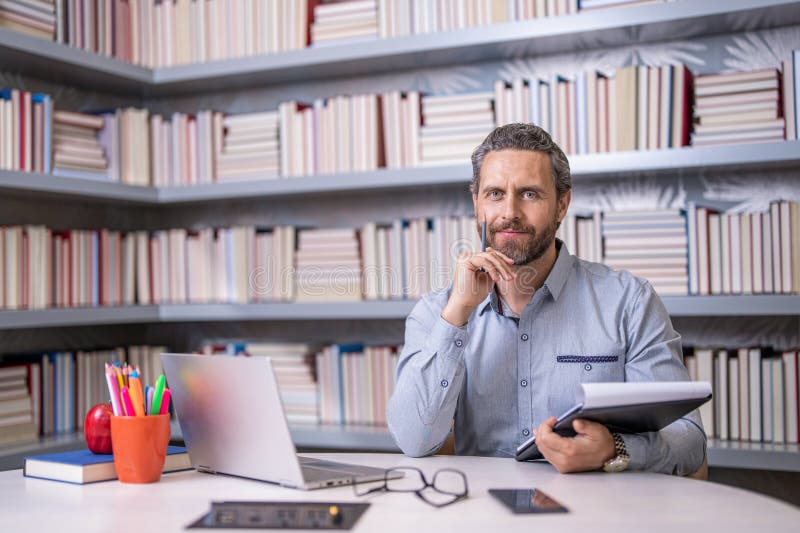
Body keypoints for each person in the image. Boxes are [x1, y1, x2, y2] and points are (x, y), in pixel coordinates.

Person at [386, 123, 706, 475]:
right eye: (494, 194)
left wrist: (614, 449)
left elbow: (689, 440)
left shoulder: (629, 303)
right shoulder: (437, 312)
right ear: (476, 202)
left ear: (562, 204)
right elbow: (414, 440)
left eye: (529, 194)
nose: (509, 212)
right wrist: (458, 314)